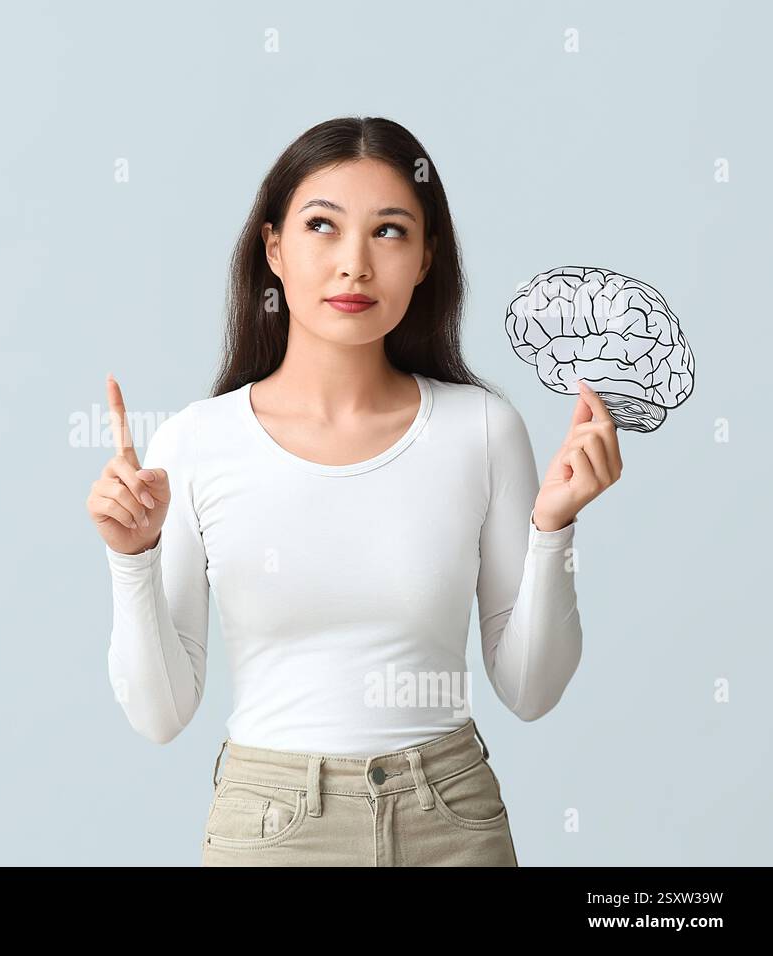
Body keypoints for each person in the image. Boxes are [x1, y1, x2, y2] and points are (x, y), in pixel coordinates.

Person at [84, 116, 623, 866]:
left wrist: (553, 531)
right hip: (269, 827)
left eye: (390, 232)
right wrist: (131, 558)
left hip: (453, 818)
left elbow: (530, 690)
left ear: (427, 256)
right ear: (274, 248)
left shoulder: (483, 430)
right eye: (322, 227)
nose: (354, 265)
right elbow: (159, 715)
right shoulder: (194, 445)